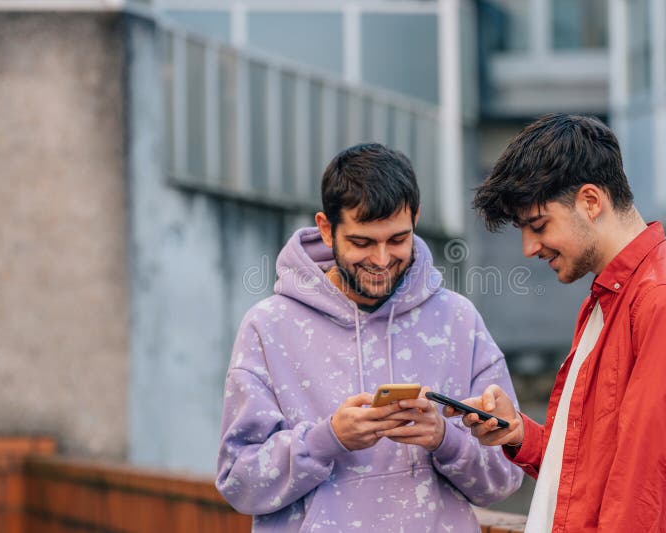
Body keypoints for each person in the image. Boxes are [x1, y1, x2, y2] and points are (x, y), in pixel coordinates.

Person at [216, 143, 523, 531]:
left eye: (397, 240)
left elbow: (506, 477)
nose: (381, 259)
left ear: (416, 219)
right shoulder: (268, 327)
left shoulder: (458, 320)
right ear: (327, 229)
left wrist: (446, 439)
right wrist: (328, 439)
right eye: (362, 242)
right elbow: (238, 482)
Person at [455, 113, 666, 532]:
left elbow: (646, 494)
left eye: (537, 225)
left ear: (590, 201)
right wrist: (518, 434)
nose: (529, 248)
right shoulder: (614, 296)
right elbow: (593, 469)